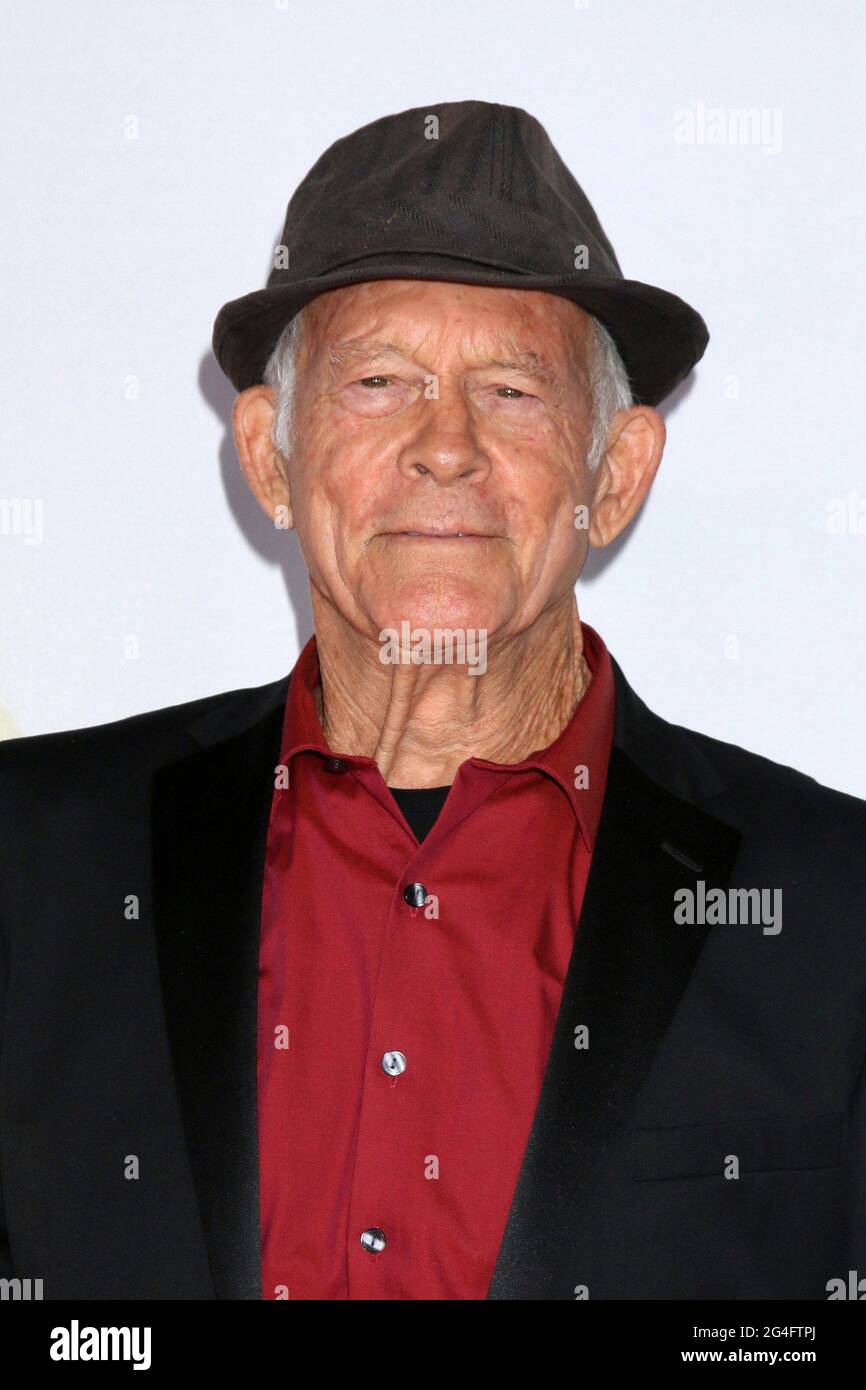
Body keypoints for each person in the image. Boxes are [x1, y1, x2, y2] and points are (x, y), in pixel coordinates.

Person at [1, 100, 863, 1301]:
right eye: (377, 381)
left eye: (510, 391)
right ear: (267, 460)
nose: (443, 445)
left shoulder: (834, 906)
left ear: (611, 478)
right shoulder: (31, 859)